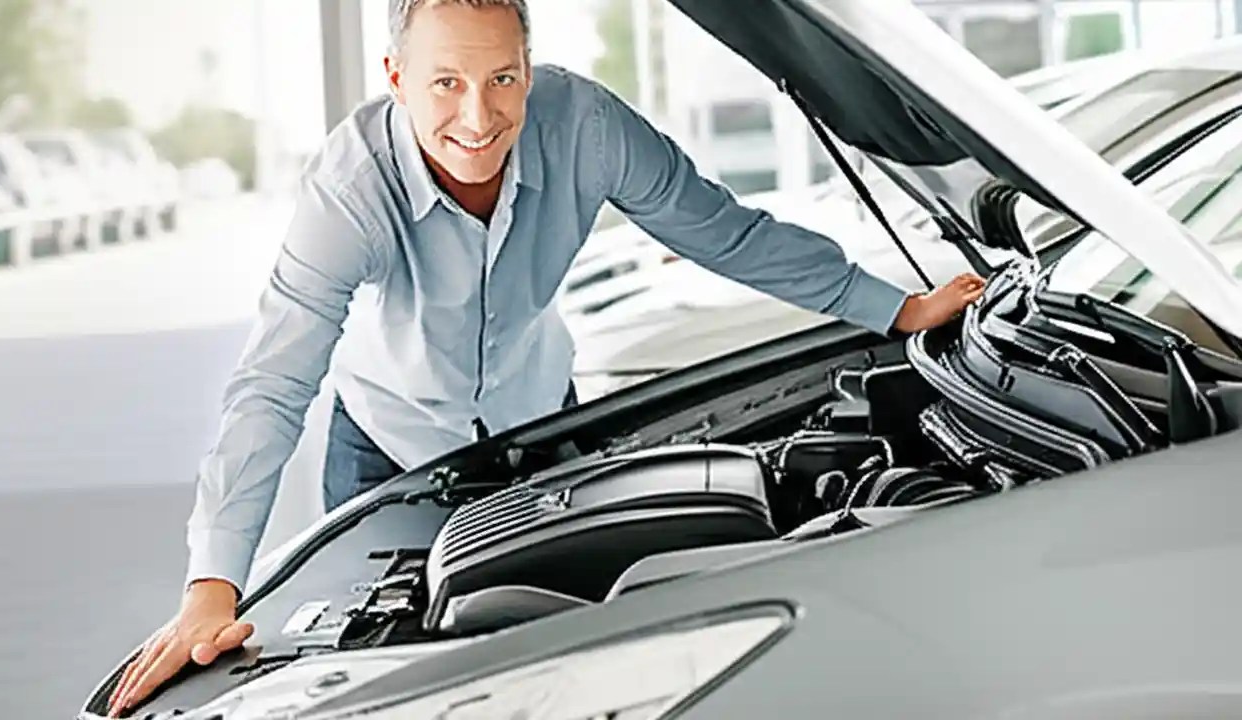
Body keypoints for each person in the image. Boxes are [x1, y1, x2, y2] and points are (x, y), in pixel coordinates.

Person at [106, 0, 985, 714]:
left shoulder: (585, 128)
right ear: (395, 78)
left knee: (567, 664)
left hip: (539, 427)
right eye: (445, 83)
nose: (478, 116)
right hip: (387, 449)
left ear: (529, 68)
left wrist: (895, 308)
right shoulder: (351, 189)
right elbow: (274, 381)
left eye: (502, 78)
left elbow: (725, 233)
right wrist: (212, 585)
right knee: (404, 678)